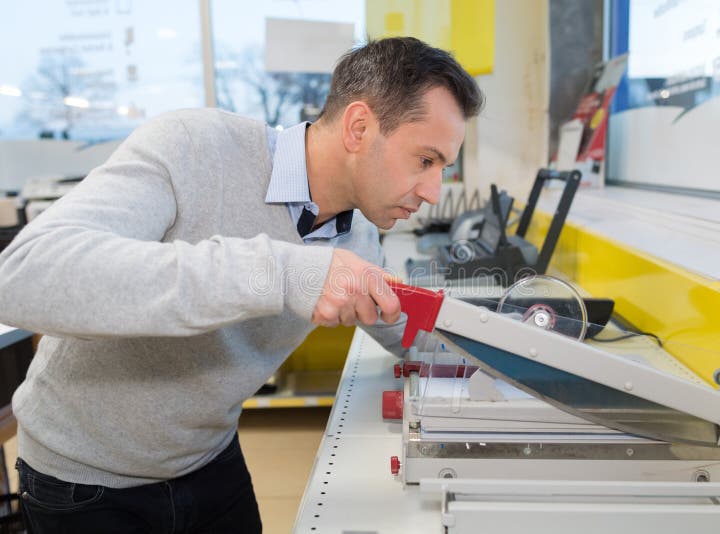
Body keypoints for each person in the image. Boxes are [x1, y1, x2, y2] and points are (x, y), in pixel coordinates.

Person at [0, 36, 483, 532]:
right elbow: (23, 275)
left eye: (443, 168)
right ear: (359, 127)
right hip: (83, 484)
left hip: (208, 460)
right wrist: (282, 271)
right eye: (425, 160)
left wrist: (525, 351)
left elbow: (412, 331)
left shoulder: (356, 237)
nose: (432, 192)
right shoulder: (194, 145)